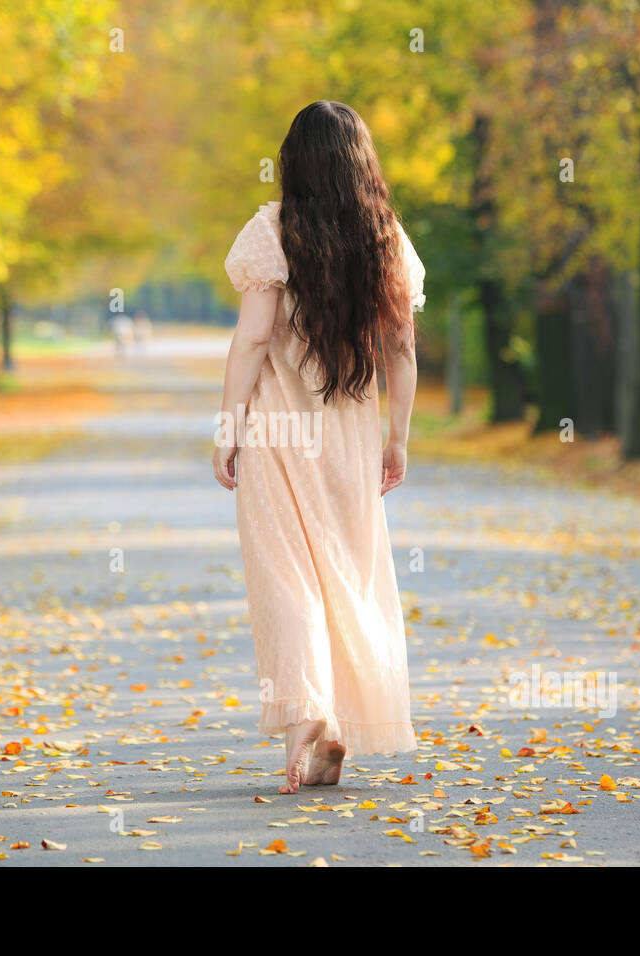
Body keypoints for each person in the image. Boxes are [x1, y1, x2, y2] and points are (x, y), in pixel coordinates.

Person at [214, 101, 425, 794]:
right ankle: (334, 724)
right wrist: (397, 438)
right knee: (347, 577)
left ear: (294, 160)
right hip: (351, 438)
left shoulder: (272, 230)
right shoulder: (384, 237)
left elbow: (251, 339)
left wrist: (227, 427)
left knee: (289, 578)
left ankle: (308, 711)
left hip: (278, 434)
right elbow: (400, 346)